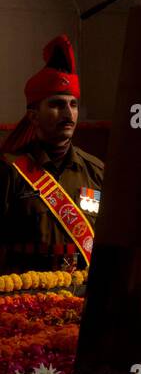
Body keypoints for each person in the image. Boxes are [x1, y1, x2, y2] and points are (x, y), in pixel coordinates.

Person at [0, 35, 103, 274]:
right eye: (57, 104)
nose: (69, 113)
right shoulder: (10, 172)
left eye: (74, 104)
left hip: (81, 297)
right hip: (25, 301)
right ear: (34, 116)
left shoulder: (95, 171)